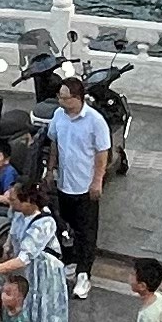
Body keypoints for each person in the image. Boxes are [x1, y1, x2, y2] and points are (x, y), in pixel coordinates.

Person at [44, 70, 111, 295]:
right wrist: (50, 170)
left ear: (77, 98)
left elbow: (102, 153)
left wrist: (97, 181)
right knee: (65, 227)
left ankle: (84, 273)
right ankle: (71, 262)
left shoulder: (95, 121)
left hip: (85, 186)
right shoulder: (58, 116)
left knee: (86, 232)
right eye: (59, 97)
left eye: (65, 98)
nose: (61, 101)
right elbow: (54, 143)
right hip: (65, 183)